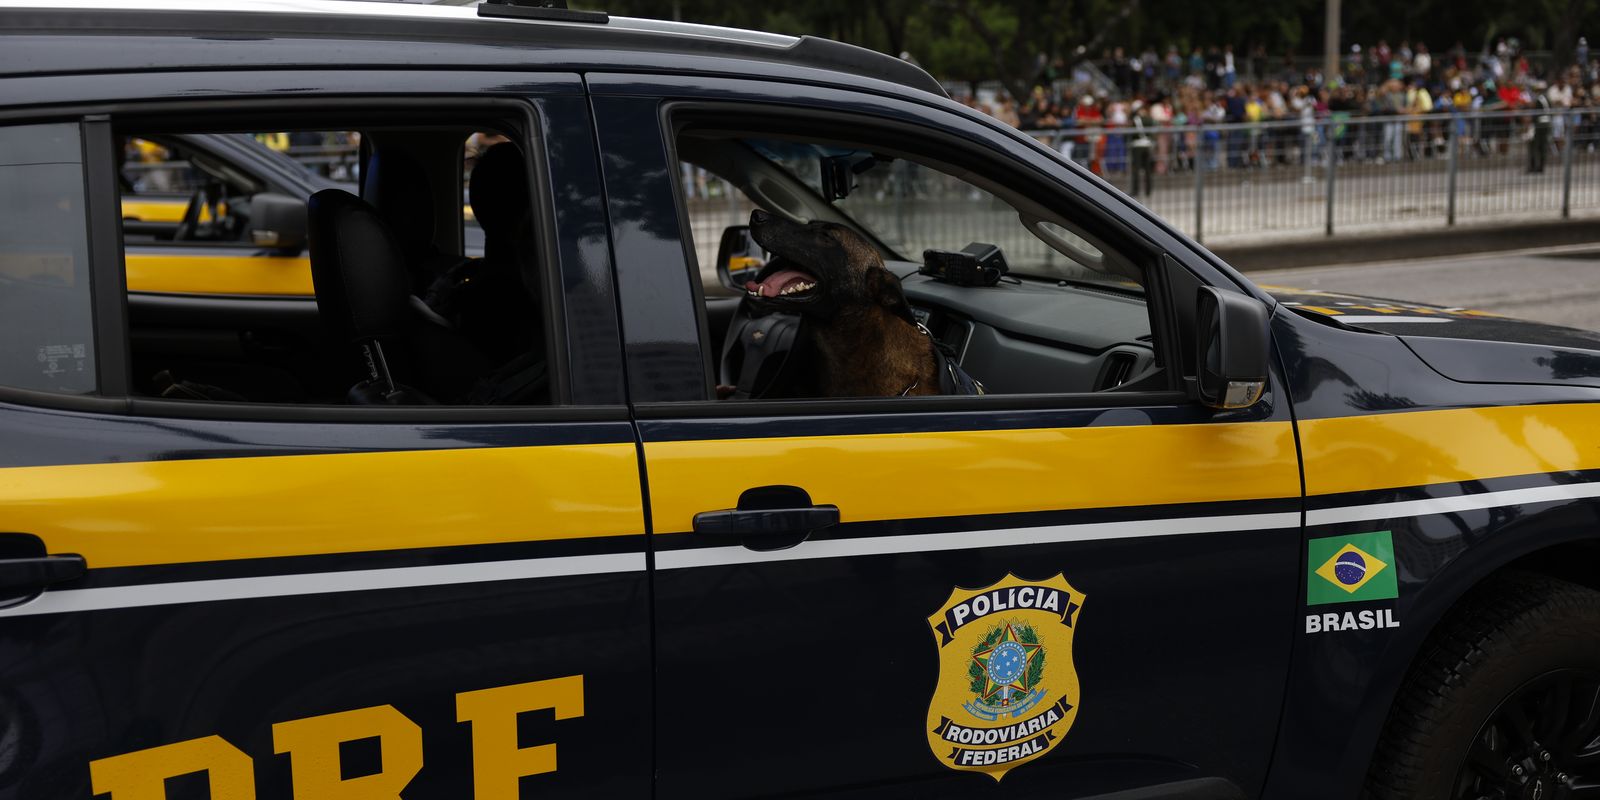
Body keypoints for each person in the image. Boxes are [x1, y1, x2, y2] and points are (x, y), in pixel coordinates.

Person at [1528, 82, 1553, 173]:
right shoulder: (1546, 99)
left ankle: (1534, 166)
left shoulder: (1538, 100)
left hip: (1539, 124)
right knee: (1543, 145)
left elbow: (1536, 113)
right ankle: (1540, 166)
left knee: (1535, 145)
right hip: (1547, 123)